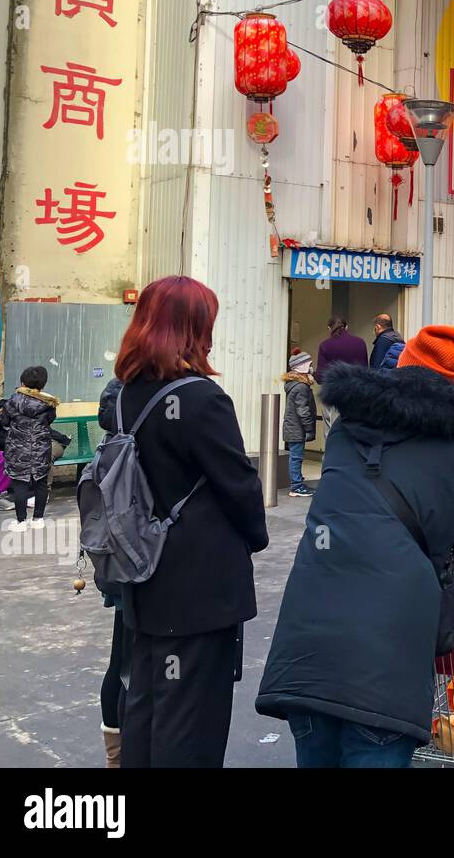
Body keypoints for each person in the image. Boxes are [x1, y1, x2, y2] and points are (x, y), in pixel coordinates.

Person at [256, 326, 454, 767]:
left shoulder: (349, 423)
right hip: (387, 663)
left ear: (401, 367)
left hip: (307, 649)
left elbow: (368, 512)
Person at [112, 276, 269, 768]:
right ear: (192, 328)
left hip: (142, 571)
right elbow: (239, 484)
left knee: (147, 704)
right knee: (192, 720)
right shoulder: (201, 398)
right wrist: (256, 535)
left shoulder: (122, 394)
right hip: (199, 585)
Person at [95, 375, 130, 768]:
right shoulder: (146, 392)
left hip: (114, 555)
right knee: (132, 661)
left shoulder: (111, 440)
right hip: (141, 559)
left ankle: (115, 757)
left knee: (120, 658)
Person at [0, 366, 59, 530]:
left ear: (23, 382)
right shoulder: (49, 403)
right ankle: (38, 519)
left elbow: (3, 422)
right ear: (43, 384)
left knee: (20, 484)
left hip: (18, 449)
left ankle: (21, 522)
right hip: (41, 448)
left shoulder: (13, 400)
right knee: (41, 482)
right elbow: (50, 420)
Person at [316, 316, 368, 430]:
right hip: (357, 393)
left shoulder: (325, 345)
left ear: (329, 328)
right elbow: (365, 371)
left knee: (332, 431)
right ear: (347, 327)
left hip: (334, 394)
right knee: (356, 429)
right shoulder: (360, 343)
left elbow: (320, 376)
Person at [282, 351, 317, 498]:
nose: (311, 367)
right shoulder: (301, 387)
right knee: (296, 457)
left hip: (293, 427)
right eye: (309, 364)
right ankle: (296, 486)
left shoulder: (293, 385)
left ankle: (298, 481)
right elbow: (303, 410)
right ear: (301, 367)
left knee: (295, 456)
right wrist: (308, 428)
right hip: (297, 428)